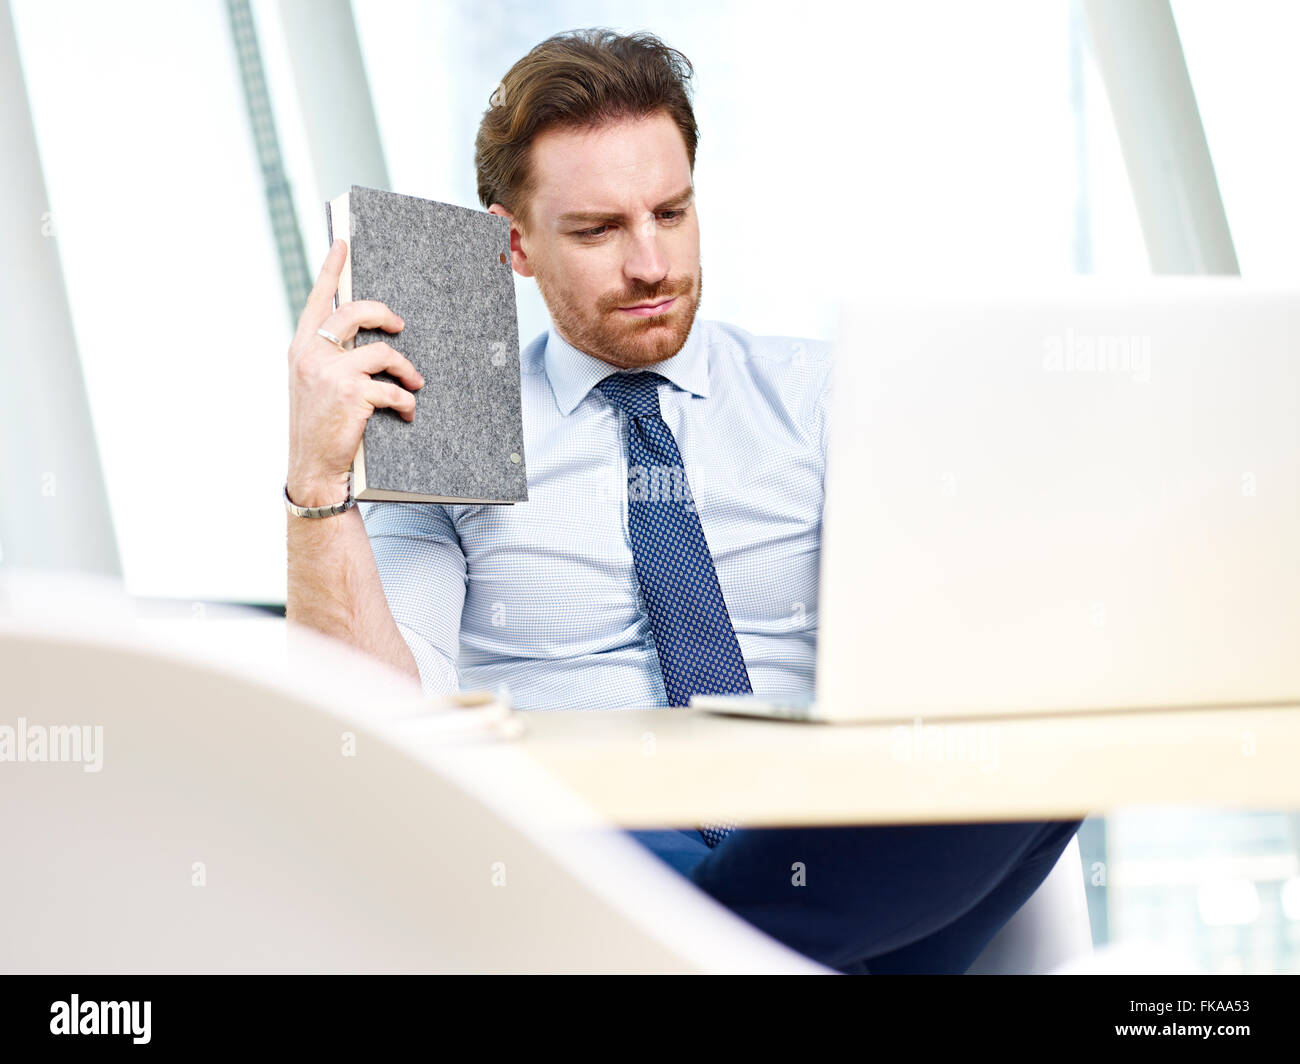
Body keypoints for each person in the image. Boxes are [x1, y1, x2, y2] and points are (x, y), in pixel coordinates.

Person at [284, 27, 1083, 974]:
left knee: (1056, 721)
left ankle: (715, 956)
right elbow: (376, 730)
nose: (652, 264)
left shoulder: (830, 397)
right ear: (516, 246)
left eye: (672, 211)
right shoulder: (452, 419)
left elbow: (954, 653)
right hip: (600, 850)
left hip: (826, 843)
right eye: (598, 230)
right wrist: (318, 485)